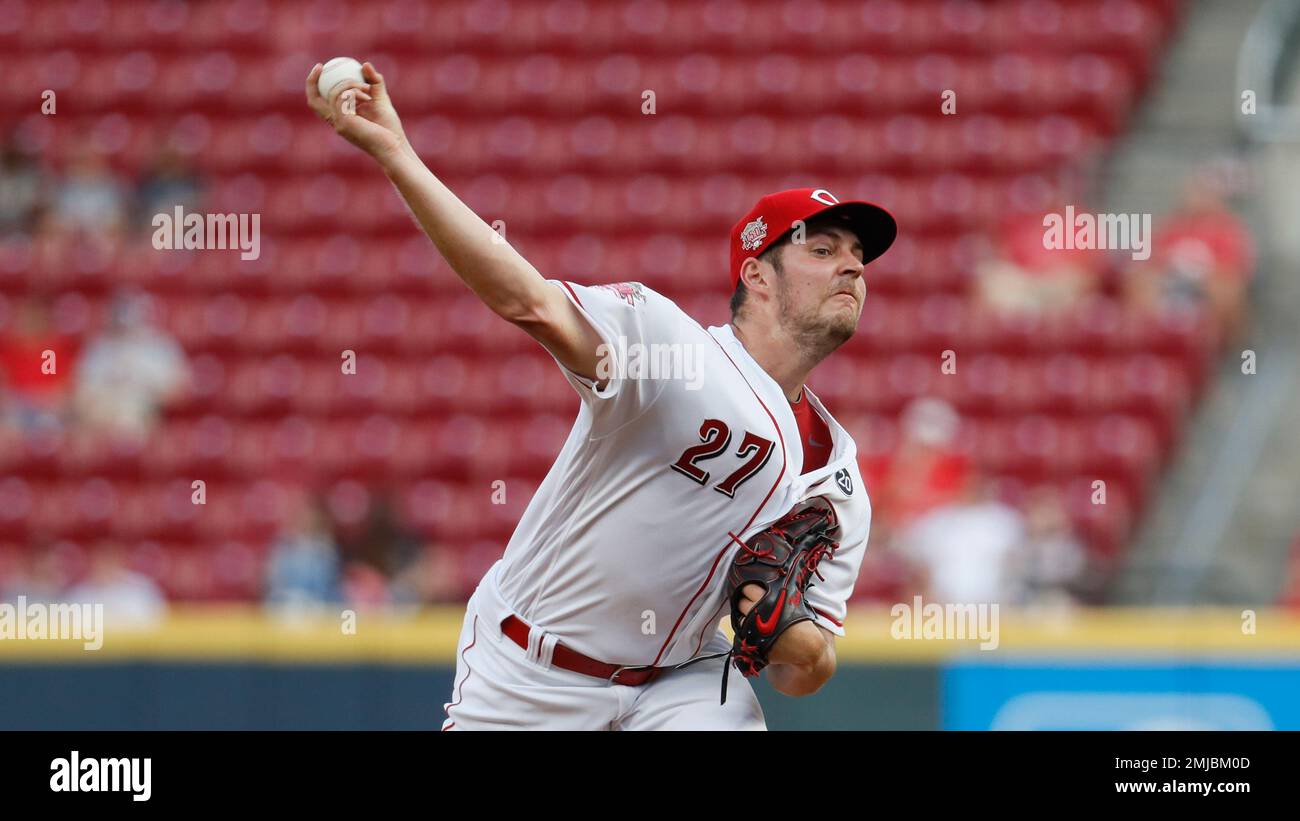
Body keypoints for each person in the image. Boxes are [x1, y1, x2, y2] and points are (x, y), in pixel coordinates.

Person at [305, 62, 896, 730]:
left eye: (857, 255)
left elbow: (805, 672)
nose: (852, 265)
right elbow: (527, 301)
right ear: (757, 276)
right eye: (822, 249)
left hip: (684, 679)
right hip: (531, 669)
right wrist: (395, 152)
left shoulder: (839, 480)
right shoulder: (670, 346)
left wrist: (783, 626)